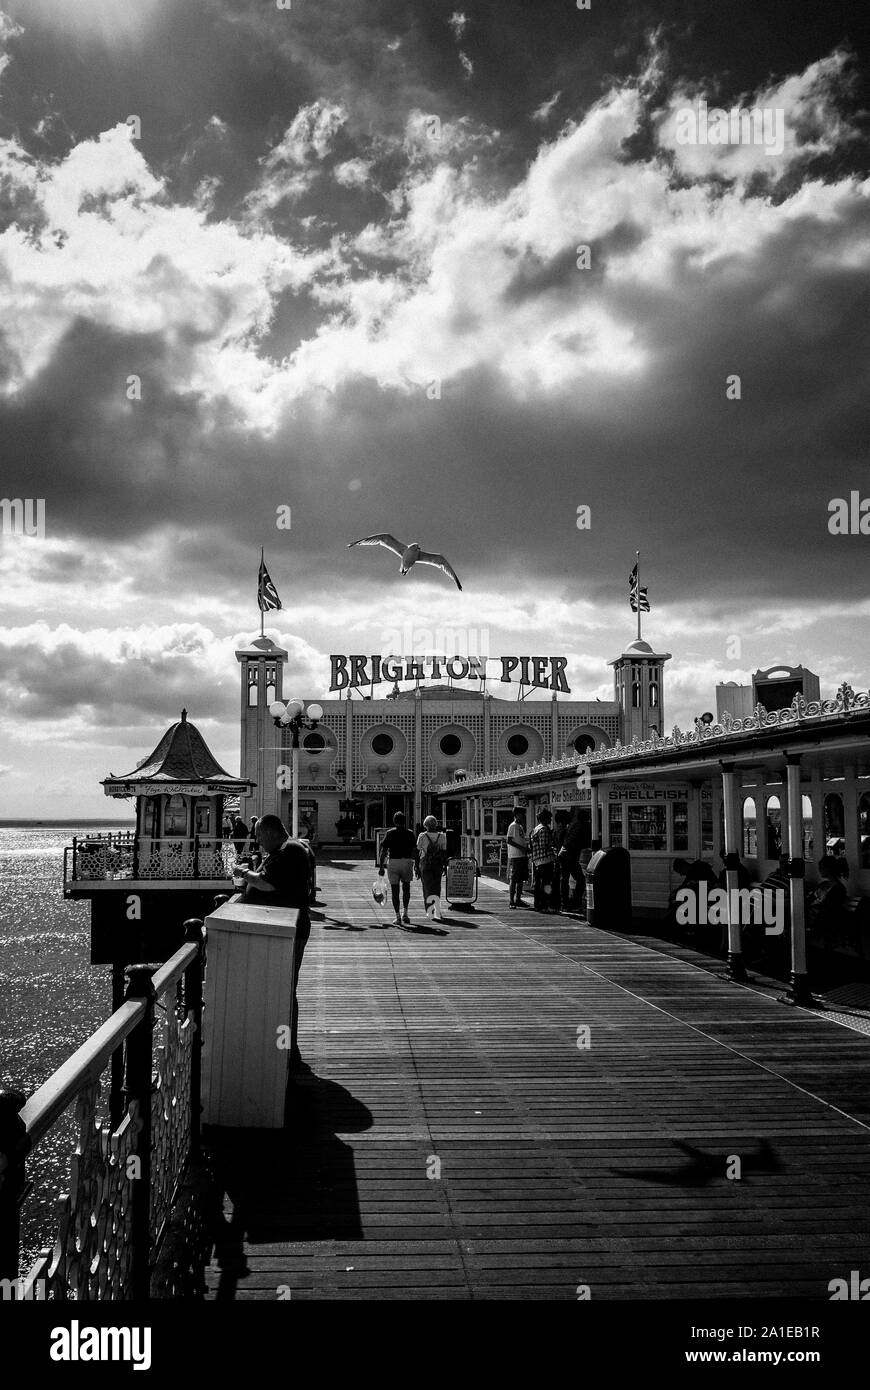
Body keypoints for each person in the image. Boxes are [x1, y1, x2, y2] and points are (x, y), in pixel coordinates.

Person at [239, 814, 312, 1073]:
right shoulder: (287, 850)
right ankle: (286, 1046)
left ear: (270, 832)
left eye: (259, 835)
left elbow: (267, 884)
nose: (257, 841)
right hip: (283, 927)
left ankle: (287, 1049)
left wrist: (244, 873)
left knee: (284, 989)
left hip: (288, 930)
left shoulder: (289, 851)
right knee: (284, 989)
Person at [378, 811, 420, 926]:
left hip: (394, 862)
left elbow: (383, 851)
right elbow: (415, 851)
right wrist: (416, 865)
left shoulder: (390, 833)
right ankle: (405, 913)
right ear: (404, 821)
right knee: (406, 888)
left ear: (394, 821)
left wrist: (381, 866)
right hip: (407, 861)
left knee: (395, 890)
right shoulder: (410, 833)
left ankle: (397, 917)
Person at [807, 854, 848, 939]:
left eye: (821, 868)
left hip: (822, 920)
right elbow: (811, 898)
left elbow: (830, 908)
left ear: (828, 869)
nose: (819, 870)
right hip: (814, 916)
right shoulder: (824, 884)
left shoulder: (838, 889)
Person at [417, 815, 448, 920]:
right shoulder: (442, 837)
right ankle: (437, 911)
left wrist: (417, 867)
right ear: (436, 825)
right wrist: (444, 866)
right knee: (437, 887)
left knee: (427, 888)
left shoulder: (422, 836)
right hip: (438, 864)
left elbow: (417, 851)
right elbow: (444, 853)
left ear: (426, 825)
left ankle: (430, 911)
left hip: (425, 864)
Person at [529, 807, 559, 913]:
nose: (551, 821)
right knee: (547, 884)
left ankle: (538, 904)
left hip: (537, 861)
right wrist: (553, 845)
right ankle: (545, 905)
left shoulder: (535, 829)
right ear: (545, 819)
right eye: (549, 819)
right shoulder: (544, 830)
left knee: (538, 884)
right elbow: (545, 846)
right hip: (546, 861)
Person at [559, 808, 584, 911]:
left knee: (564, 880)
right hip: (569, 857)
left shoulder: (570, 827)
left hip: (565, 855)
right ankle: (573, 903)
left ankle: (565, 903)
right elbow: (571, 842)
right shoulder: (578, 827)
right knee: (580, 880)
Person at [505, 808, 529, 909]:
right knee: (514, 878)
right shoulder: (513, 826)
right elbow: (509, 840)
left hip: (522, 855)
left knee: (521, 879)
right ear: (517, 814)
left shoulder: (520, 826)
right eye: (522, 814)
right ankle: (511, 901)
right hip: (515, 856)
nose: (523, 816)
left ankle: (518, 899)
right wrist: (521, 848)